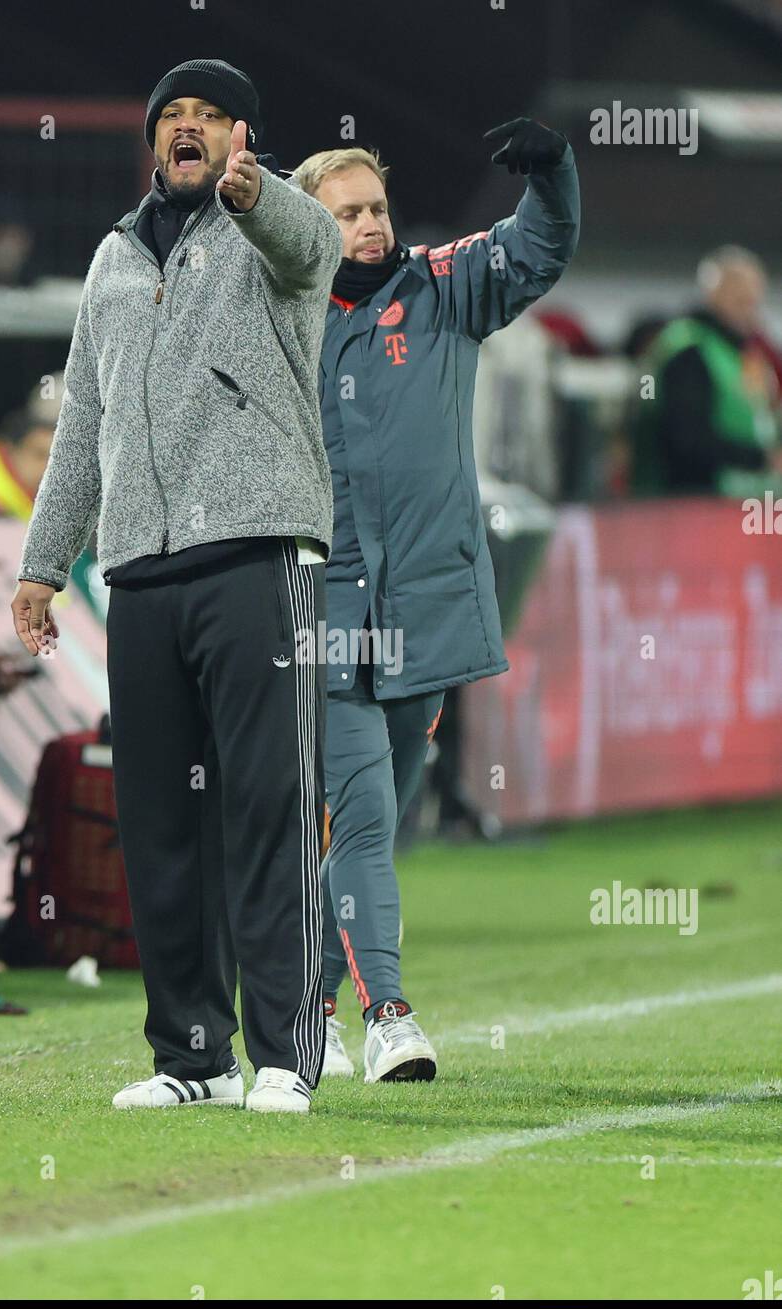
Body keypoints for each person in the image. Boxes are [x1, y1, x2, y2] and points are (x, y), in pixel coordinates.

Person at [11, 59, 342, 1115]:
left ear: (240, 136)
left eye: (208, 117)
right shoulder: (113, 258)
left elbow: (314, 243)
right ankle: (192, 1055)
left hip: (257, 553)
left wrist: (257, 195)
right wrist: (41, 561)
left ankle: (287, 1053)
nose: (186, 130)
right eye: (172, 119)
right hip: (144, 572)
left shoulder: (269, 231)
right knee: (157, 822)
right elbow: (83, 425)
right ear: (152, 141)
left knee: (267, 808)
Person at [293, 118, 580, 1082]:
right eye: (347, 214)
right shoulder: (280, 314)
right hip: (326, 601)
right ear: (305, 224)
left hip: (426, 600)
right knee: (366, 814)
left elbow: (537, 251)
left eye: (376, 207)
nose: (371, 225)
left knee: (391, 814)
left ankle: (304, 1002)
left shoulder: (442, 284)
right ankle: (392, 1017)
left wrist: (551, 172)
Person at [633, 246, 782, 495]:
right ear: (714, 297)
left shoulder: (743, 352)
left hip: (742, 500)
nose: (751, 313)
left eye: (755, 301)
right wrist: (761, 459)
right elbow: (687, 440)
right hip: (691, 503)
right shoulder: (687, 350)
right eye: (741, 301)